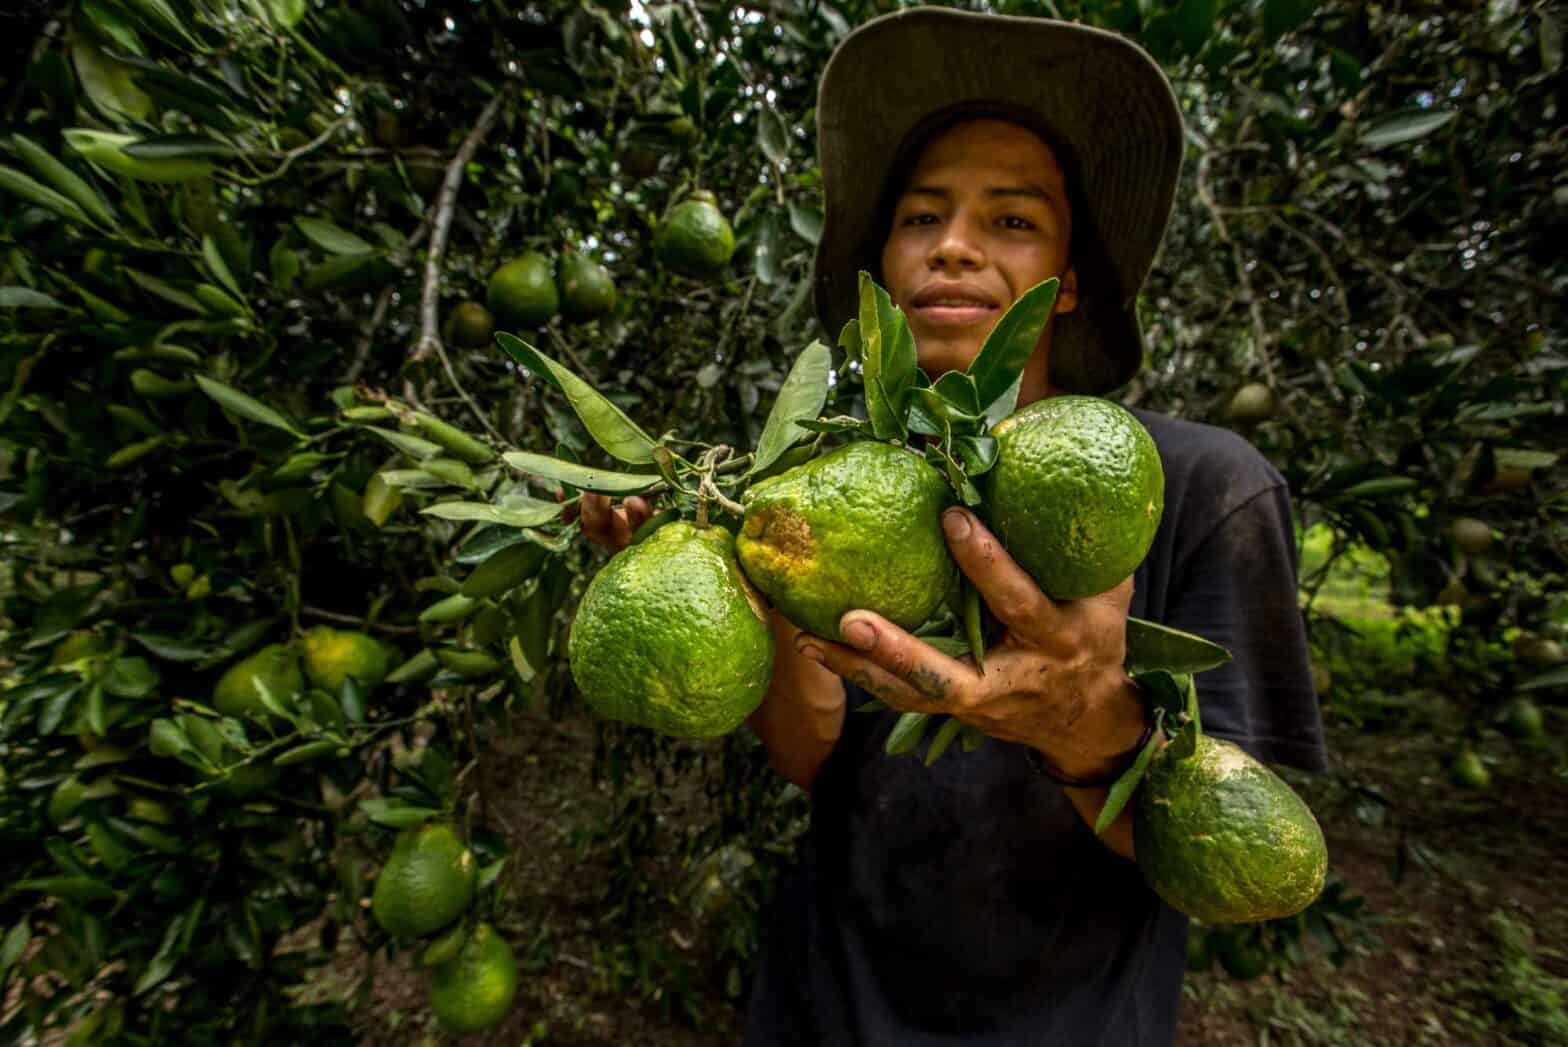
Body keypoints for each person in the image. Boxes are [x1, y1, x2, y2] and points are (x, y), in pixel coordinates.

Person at [577, 9, 1327, 1044]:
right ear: (883, 267)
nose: (955, 248)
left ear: (1063, 286)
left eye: (1011, 221)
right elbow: (819, 763)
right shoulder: (813, 489)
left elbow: (1233, 856)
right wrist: (749, 596)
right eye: (920, 218)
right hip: (823, 1003)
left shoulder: (1199, 487)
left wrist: (1083, 729)